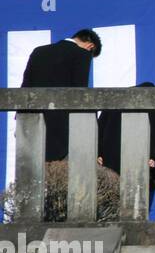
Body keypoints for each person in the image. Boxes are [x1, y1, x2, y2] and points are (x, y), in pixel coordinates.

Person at [21, 28, 101, 161]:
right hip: (63, 127)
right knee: (62, 176)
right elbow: (79, 93)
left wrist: (21, 117)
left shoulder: (38, 51)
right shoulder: (82, 54)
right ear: (90, 46)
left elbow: (25, 86)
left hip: (32, 121)